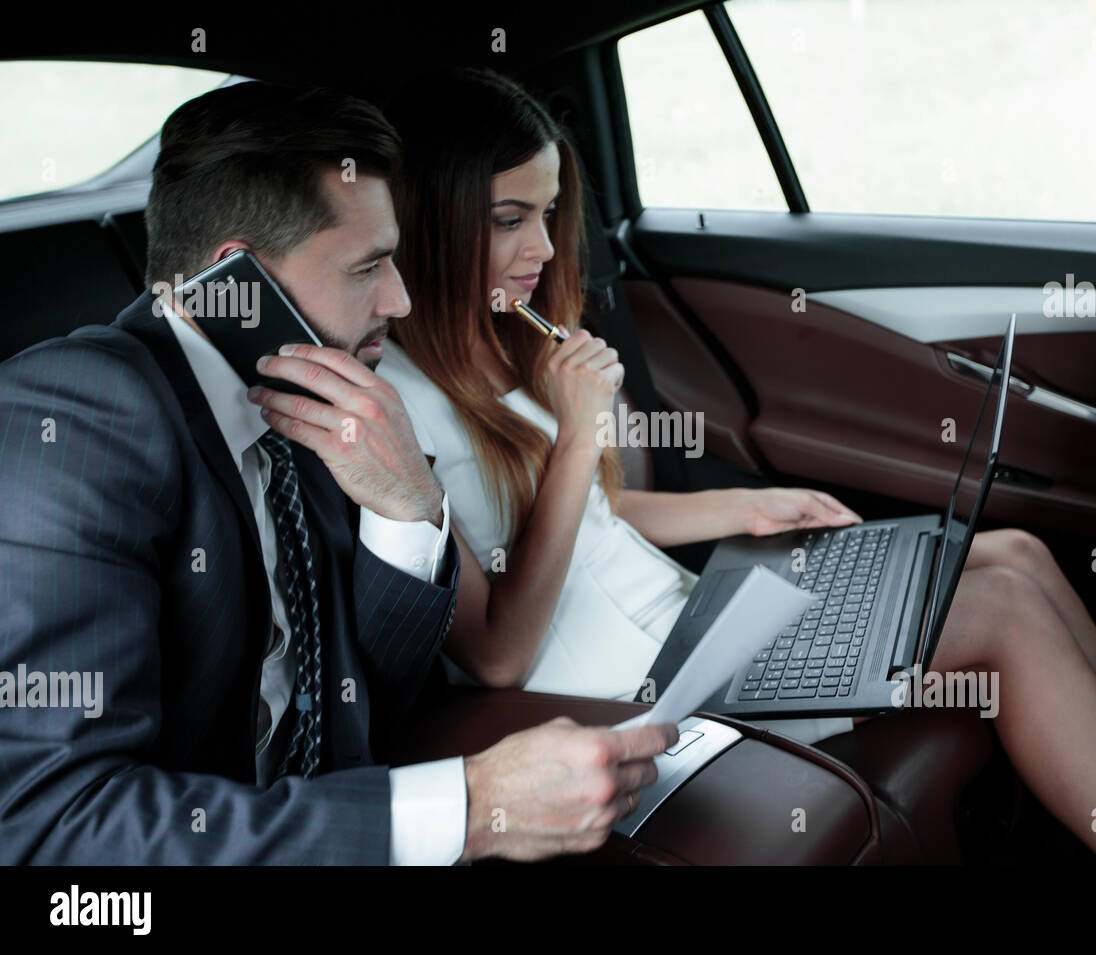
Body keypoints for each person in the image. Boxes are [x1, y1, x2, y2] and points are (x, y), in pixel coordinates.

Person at [377, 67, 1096, 866]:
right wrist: (577, 437)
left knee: (1017, 552)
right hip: (644, 690)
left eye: (547, 212)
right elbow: (495, 656)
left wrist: (745, 505)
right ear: (432, 224)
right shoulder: (403, 407)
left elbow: (584, 525)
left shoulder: (504, 349)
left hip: (695, 623)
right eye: (508, 221)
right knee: (1001, 609)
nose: (541, 248)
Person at [0, 81, 674, 866]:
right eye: (370, 267)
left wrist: (405, 507)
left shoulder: (316, 395)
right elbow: (53, 826)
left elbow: (374, 695)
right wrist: (474, 809)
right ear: (237, 283)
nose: (401, 296)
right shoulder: (81, 414)